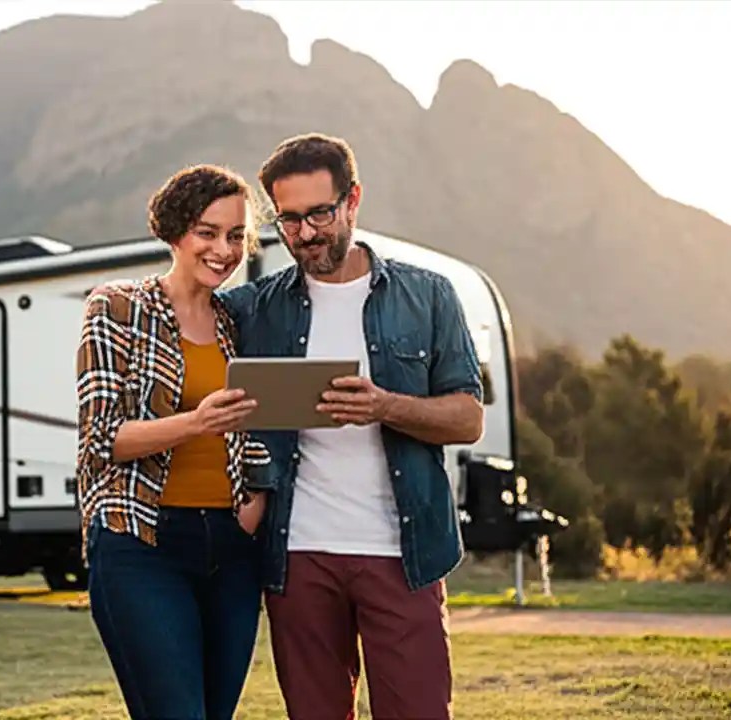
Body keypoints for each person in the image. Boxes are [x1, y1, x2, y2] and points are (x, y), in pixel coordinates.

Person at [218, 133, 486, 720]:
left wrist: (384, 406)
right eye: (289, 221)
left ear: (353, 200)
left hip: (401, 551)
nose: (307, 233)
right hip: (298, 553)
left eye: (320, 213)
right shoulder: (253, 308)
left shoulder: (428, 296)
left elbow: (467, 418)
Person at [74, 164, 274, 720]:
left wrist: (252, 508)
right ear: (175, 231)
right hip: (143, 543)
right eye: (207, 232)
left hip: (232, 549)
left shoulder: (236, 321)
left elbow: (257, 427)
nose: (223, 249)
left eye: (236, 236)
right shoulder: (116, 308)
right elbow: (100, 439)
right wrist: (195, 423)